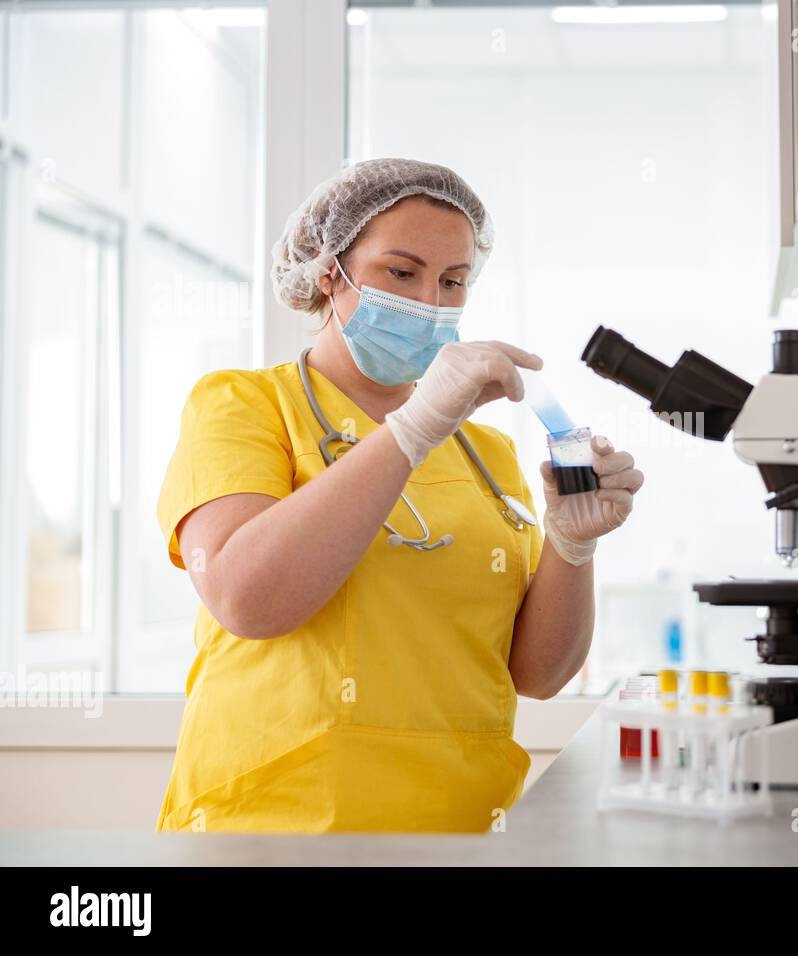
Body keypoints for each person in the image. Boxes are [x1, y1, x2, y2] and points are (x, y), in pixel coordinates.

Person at [154, 158, 643, 832]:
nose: (429, 303)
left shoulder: (486, 453)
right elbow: (246, 597)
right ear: (330, 272)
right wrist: (411, 431)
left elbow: (536, 673)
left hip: (461, 831)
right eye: (400, 272)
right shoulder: (244, 405)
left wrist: (573, 545)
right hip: (276, 829)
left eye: (453, 281)